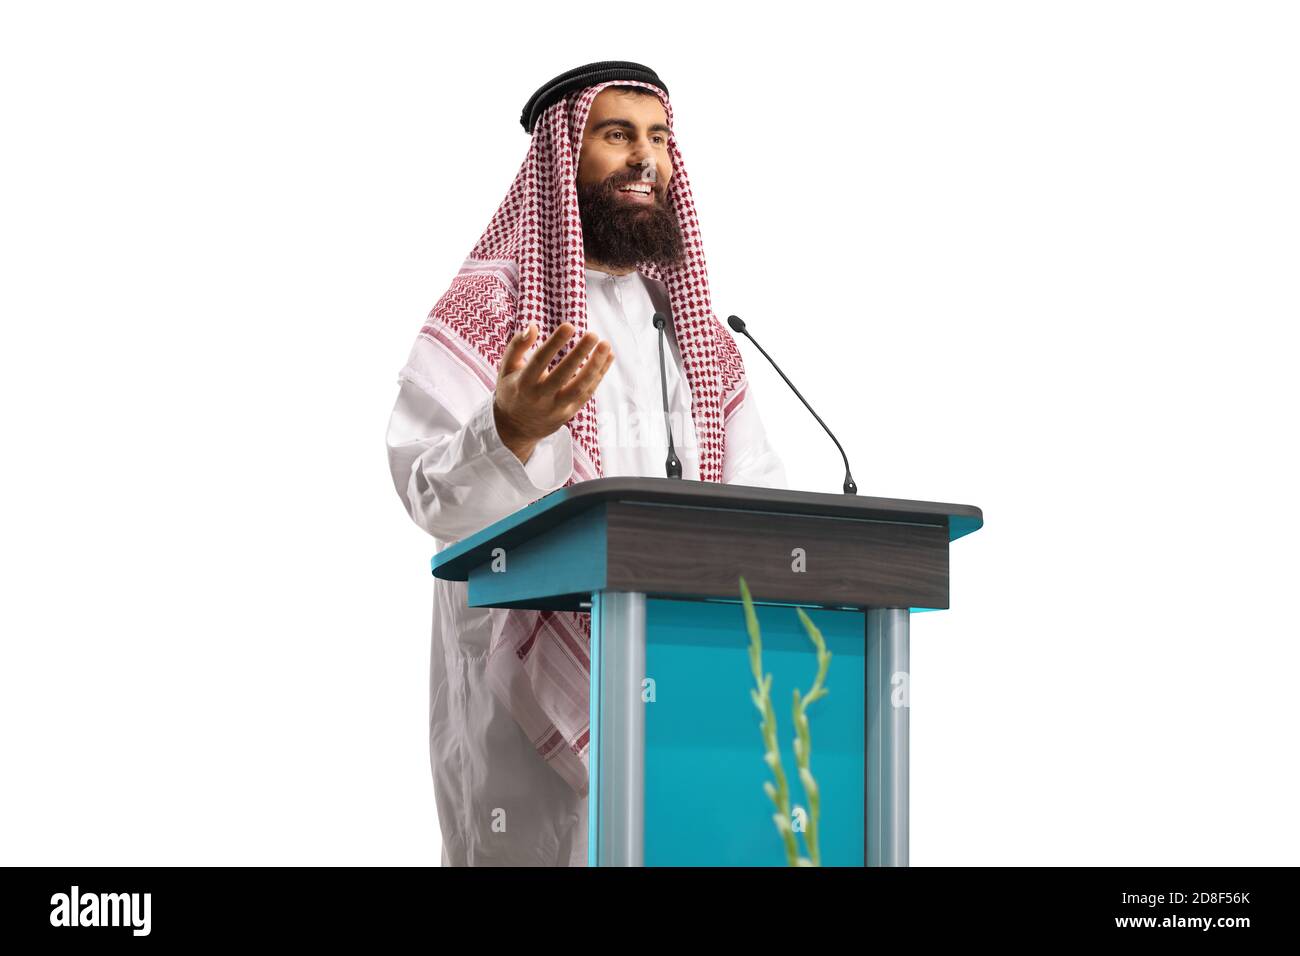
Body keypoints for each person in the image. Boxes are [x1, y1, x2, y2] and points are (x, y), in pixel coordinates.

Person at [385, 61, 787, 866]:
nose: (646, 157)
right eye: (616, 135)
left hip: (677, 678)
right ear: (564, 159)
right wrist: (508, 429)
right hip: (521, 701)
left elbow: (761, 498)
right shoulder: (492, 308)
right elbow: (428, 491)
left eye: (658, 138)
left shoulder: (696, 331)